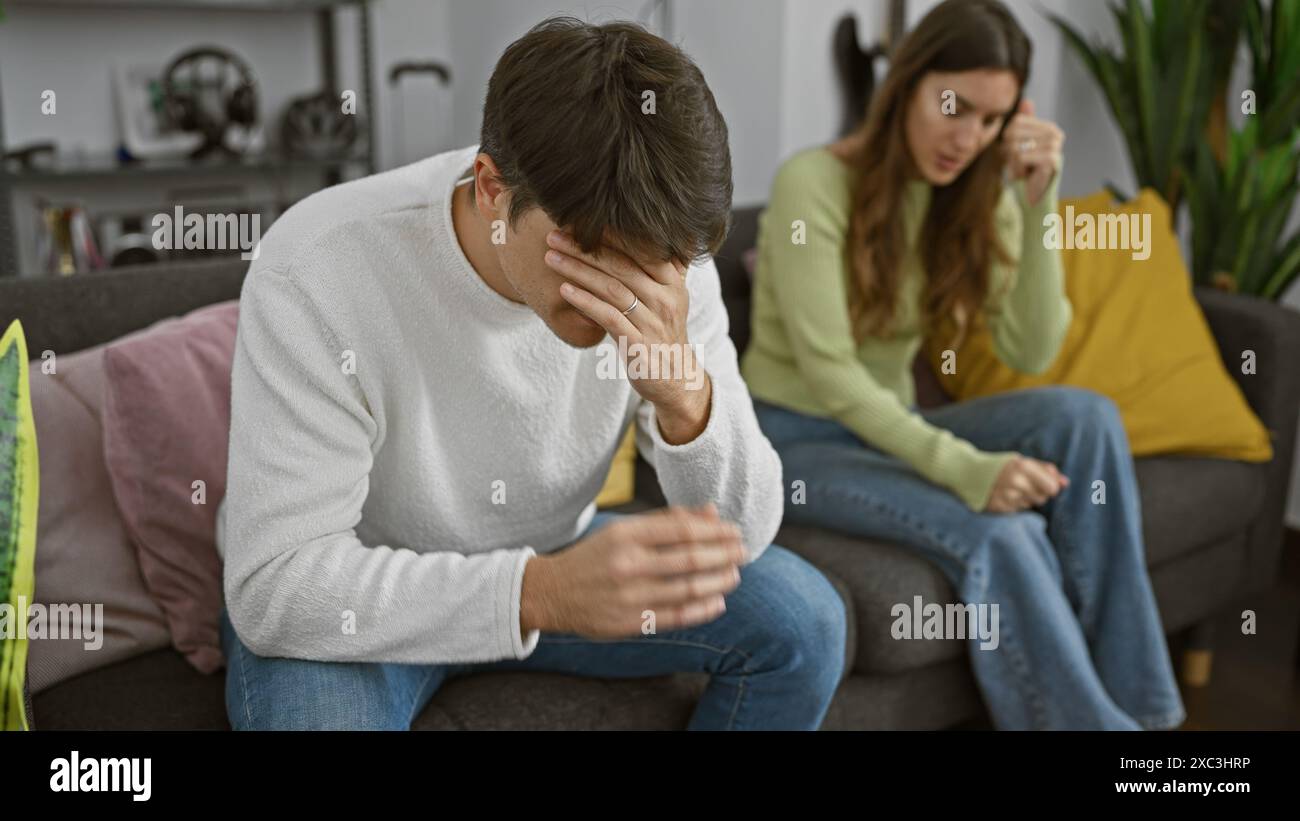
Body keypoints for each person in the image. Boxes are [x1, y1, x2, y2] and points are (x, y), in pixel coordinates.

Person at [215, 17, 846, 731]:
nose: (620, 287)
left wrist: (682, 391)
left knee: (807, 623)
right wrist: (537, 593)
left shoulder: (668, 251)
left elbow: (742, 533)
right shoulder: (319, 264)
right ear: (491, 188)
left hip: (553, 549)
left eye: (650, 259)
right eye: (587, 249)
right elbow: (275, 586)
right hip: (361, 580)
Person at [742, 0, 1183, 730]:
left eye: (990, 120)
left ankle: (1151, 719)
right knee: (1005, 534)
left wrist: (1038, 205)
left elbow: (1031, 349)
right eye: (955, 106)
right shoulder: (812, 185)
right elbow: (831, 374)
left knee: (1087, 416)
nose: (967, 136)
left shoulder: (975, 192)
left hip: (888, 427)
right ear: (909, 81)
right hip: (792, 441)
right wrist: (967, 468)